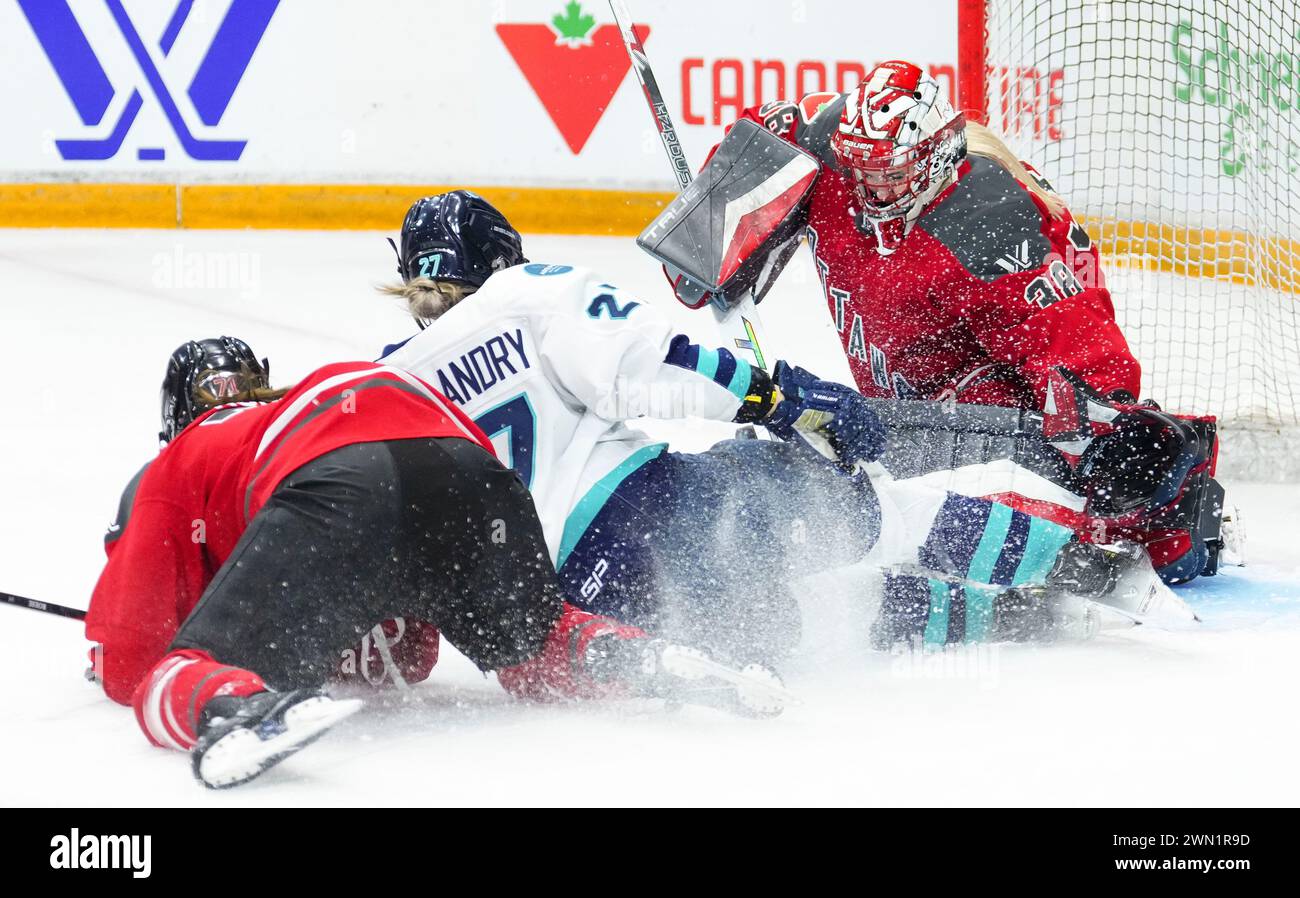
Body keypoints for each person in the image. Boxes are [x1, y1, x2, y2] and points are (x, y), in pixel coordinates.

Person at [376, 192, 1182, 662]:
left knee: (810, 617)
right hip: (656, 519)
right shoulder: (527, 295)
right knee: (870, 507)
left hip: (602, 598)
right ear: (504, 256)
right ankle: (1084, 571)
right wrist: (775, 399)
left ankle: (1016, 620)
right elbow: (650, 361)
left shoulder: (392, 383)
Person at [86, 356, 784, 789]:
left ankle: (234, 711)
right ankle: (633, 655)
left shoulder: (181, 457)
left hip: (341, 488)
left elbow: (128, 658)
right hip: (468, 472)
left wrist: (193, 643)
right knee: (536, 648)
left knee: (175, 673)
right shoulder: (311, 400)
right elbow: (411, 653)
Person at [667, 60, 1220, 584]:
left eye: (886, 176)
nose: (866, 192)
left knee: (1061, 490)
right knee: (885, 477)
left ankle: (1164, 498)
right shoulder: (829, 143)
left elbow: (1067, 329)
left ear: (932, 157)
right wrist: (713, 223)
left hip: (992, 394)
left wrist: (1111, 425)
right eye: (857, 171)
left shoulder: (988, 222)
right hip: (907, 391)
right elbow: (764, 135)